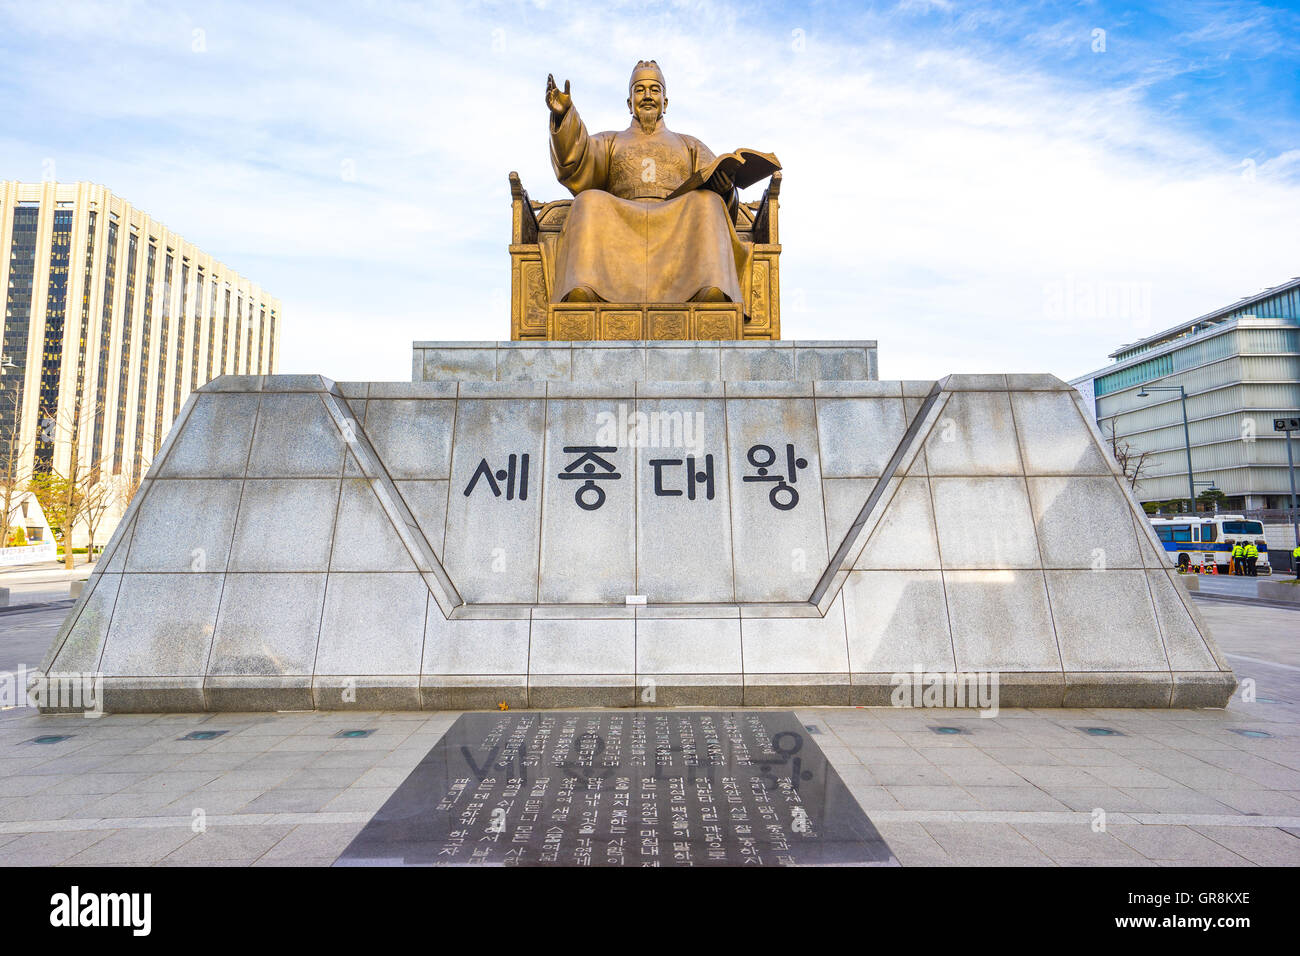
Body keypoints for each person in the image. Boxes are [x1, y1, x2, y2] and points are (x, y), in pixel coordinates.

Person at [546, 61, 753, 305]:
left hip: (677, 220)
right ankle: (586, 287)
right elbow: (577, 157)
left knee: (707, 202)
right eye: (639, 90)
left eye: (655, 90)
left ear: (665, 102)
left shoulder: (689, 144)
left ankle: (709, 287)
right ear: (629, 102)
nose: (647, 96)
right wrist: (564, 115)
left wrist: (725, 187)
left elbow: (717, 187)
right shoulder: (610, 140)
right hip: (621, 217)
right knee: (588, 200)